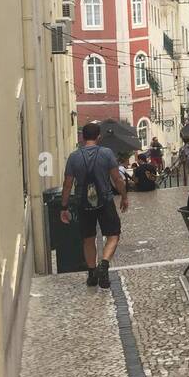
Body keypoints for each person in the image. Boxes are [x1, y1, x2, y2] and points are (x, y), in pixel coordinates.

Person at [60, 122, 129, 289]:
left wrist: (64, 207)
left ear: (83, 137)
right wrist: (124, 197)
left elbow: (67, 184)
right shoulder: (106, 153)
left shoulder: (73, 157)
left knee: (88, 239)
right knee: (113, 235)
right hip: (105, 200)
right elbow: (117, 178)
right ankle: (104, 265)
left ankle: (92, 274)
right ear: (99, 137)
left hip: (83, 203)